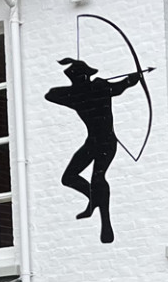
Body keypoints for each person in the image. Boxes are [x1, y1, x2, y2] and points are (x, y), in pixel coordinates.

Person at [44, 57, 151, 244]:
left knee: (98, 177)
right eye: (74, 78)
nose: (77, 80)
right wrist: (129, 80)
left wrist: (130, 80)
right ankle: (93, 199)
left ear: (85, 76)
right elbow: (49, 95)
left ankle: (106, 224)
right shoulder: (83, 92)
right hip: (92, 142)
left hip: (107, 142)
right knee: (68, 177)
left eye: (79, 77)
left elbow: (122, 86)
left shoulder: (83, 93)